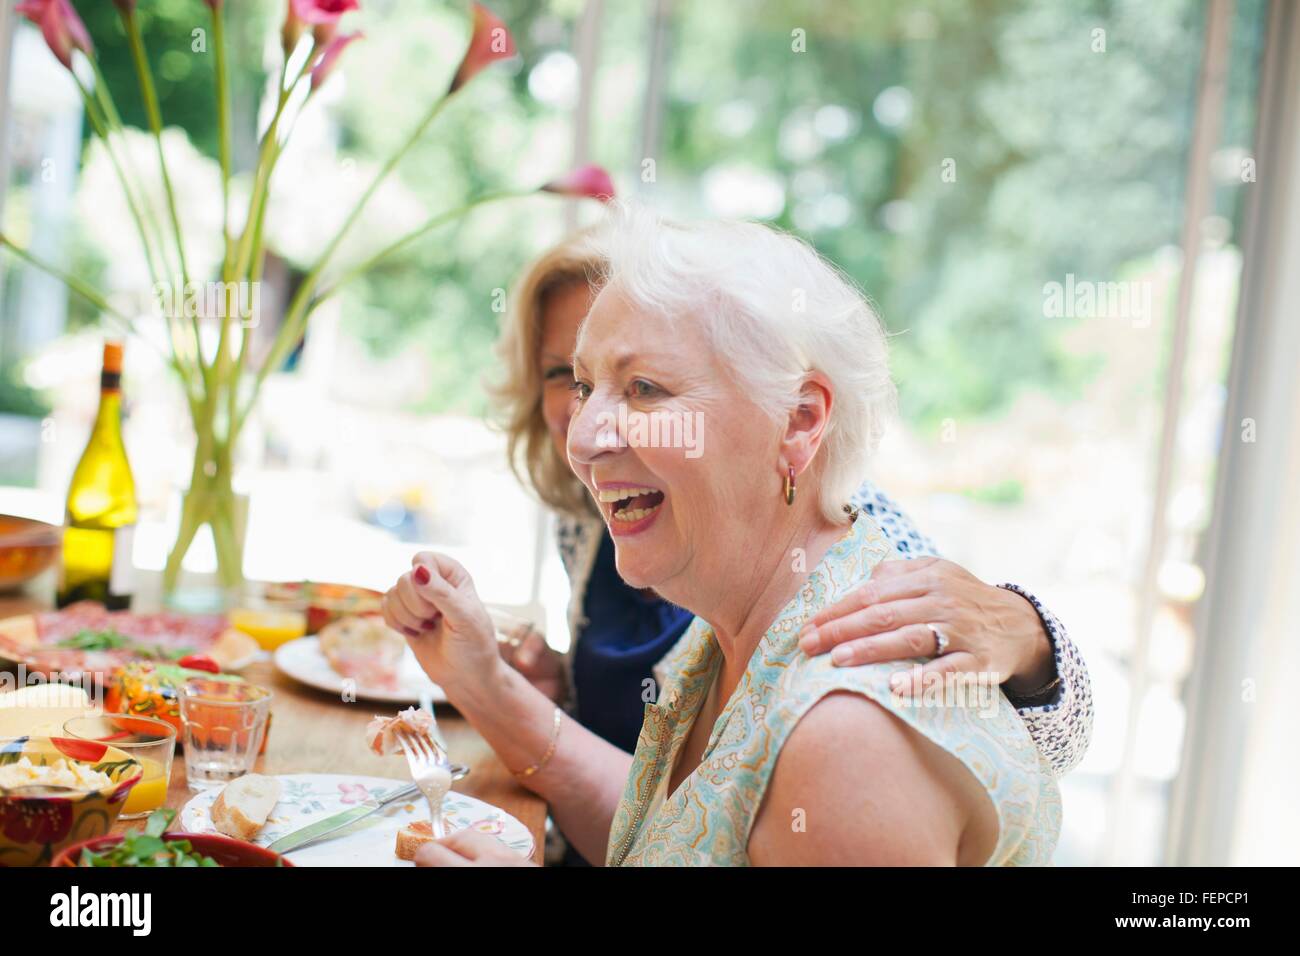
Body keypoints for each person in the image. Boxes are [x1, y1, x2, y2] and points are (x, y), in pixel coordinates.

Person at [383, 206, 1060, 865]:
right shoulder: (719, 635)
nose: (583, 438)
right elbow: (671, 841)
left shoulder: (847, 738)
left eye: (645, 388)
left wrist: (1032, 637)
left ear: (798, 421)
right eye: (583, 384)